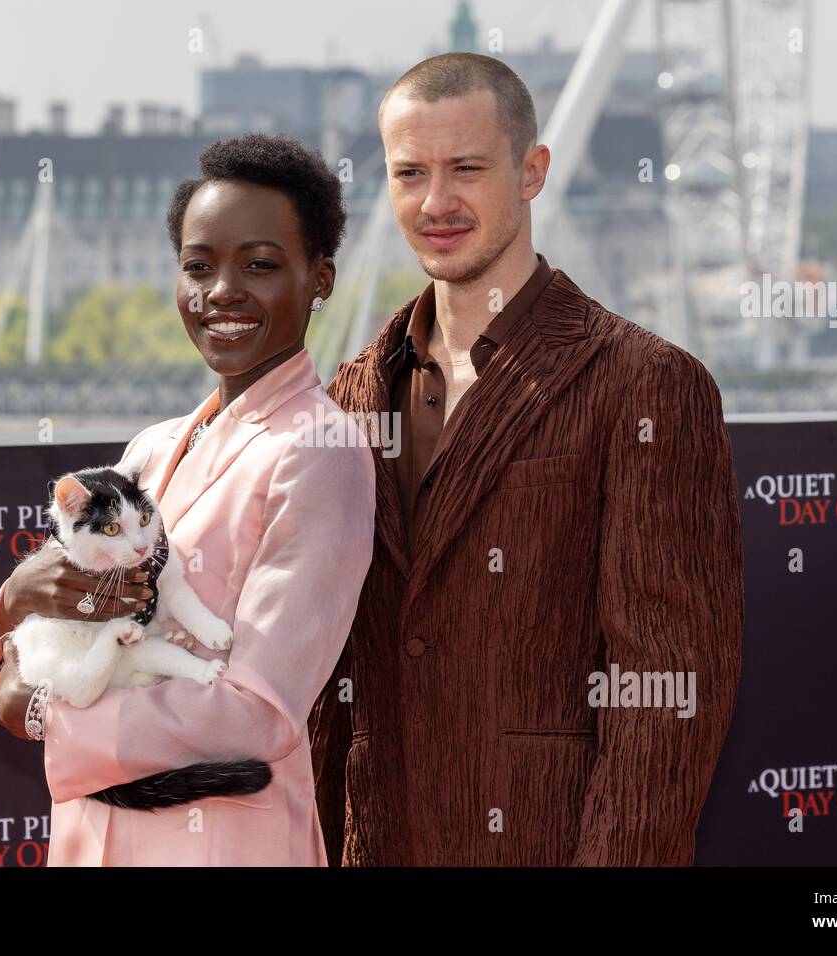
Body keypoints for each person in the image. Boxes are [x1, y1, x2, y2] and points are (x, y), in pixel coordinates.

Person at [310, 53, 746, 865]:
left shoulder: (647, 385)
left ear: (532, 171)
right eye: (410, 173)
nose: (436, 203)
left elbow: (668, 697)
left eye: (467, 168)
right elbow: (323, 688)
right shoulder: (351, 396)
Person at [0, 133, 375, 866]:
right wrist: (22, 596)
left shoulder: (320, 451)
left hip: (223, 843)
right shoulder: (151, 451)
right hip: (91, 839)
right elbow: (4, 653)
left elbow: (256, 710)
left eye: (259, 264)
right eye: (198, 265)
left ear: (321, 279)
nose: (221, 291)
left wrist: (50, 720)